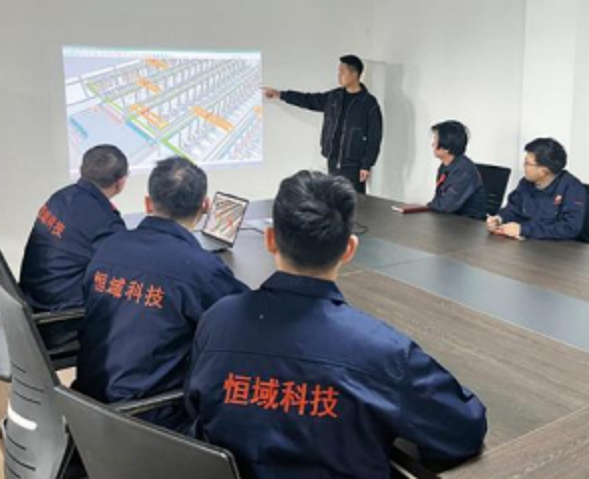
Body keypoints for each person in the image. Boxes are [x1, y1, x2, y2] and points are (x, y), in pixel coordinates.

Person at [186, 171, 487, 479]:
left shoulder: (217, 320)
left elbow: (195, 407)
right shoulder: (384, 352)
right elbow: (463, 430)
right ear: (349, 249)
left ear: (270, 239)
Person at [74, 157, 248, 430]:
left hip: (85, 401)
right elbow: (245, 322)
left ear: (148, 203)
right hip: (150, 420)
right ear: (205, 206)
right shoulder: (201, 269)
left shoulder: (108, 246)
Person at [20, 144, 128, 312]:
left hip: (33, 295)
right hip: (63, 313)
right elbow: (126, 270)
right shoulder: (106, 223)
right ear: (120, 183)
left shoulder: (61, 197)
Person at [263, 55, 383, 193]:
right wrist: (280, 95)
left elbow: (375, 136)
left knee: (355, 201)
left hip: (354, 165)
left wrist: (366, 165)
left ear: (355, 74)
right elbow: (308, 100)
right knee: (333, 200)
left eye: (342, 72)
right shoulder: (334, 97)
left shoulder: (368, 103)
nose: (339, 76)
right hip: (332, 161)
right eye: (339, 72)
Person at [487, 138, 587, 240]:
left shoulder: (572, 189)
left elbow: (569, 228)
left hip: (555, 247)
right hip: (526, 243)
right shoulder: (526, 182)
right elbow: (513, 209)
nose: (524, 167)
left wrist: (523, 230)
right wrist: (499, 219)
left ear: (543, 171)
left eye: (527, 163)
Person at [427, 120, 487, 219]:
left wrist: (428, 206)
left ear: (446, 147)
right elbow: (439, 200)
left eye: (436, 140)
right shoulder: (445, 167)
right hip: (449, 221)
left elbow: (446, 206)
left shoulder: (464, 170)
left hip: (469, 224)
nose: (432, 144)